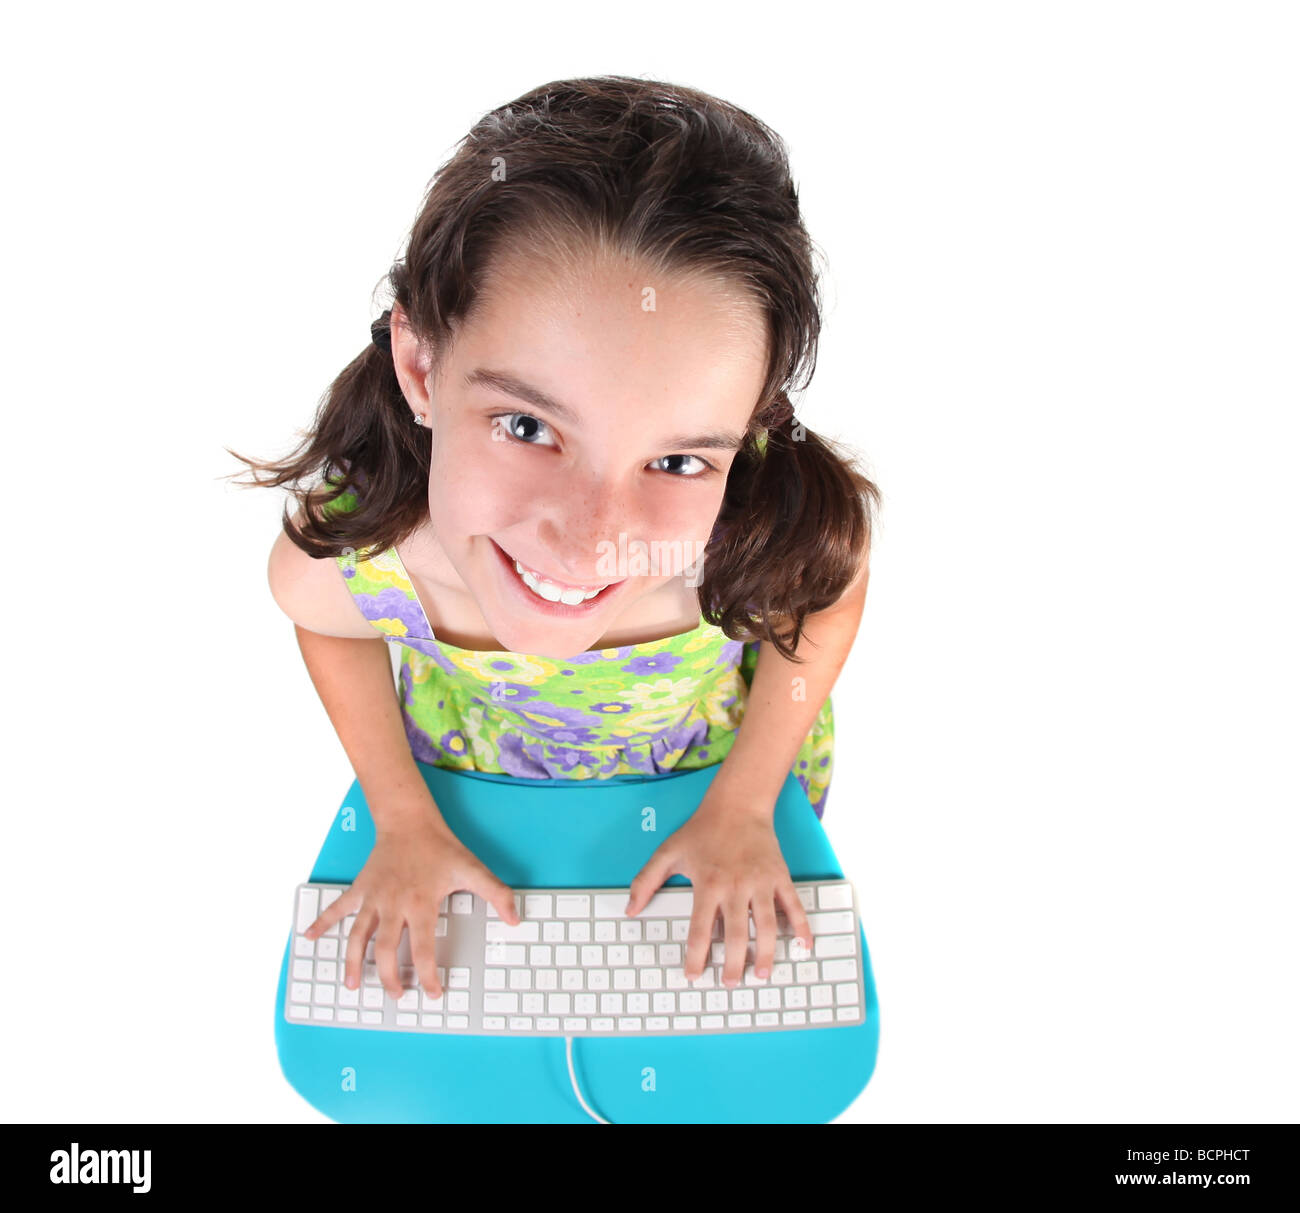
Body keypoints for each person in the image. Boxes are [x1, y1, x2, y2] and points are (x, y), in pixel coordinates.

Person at [229, 75, 881, 1009]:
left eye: (678, 461)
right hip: (479, 796)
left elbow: (831, 594)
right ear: (421, 365)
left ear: (748, 433)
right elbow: (328, 624)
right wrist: (402, 815)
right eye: (528, 427)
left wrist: (744, 801)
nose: (589, 542)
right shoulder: (368, 564)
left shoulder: (744, 535)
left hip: (719, 787)